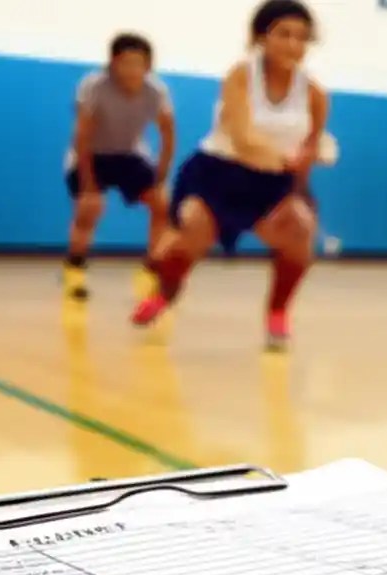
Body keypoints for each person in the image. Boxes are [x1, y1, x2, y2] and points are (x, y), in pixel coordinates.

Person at [130, 0, 330, 351]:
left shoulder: (315, 94)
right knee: (190, 237)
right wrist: (282, 157)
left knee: (301, 231)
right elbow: (243, 137)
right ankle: (165, 294)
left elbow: (311, 146)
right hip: (217, 174)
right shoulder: (241, 75)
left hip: (272, 185)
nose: (294, 45)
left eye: (302, 38)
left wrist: (303, 173)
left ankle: (278, 313)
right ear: (261, 37)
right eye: (284, 34)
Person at [63, 33, 176, 301]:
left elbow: (168, 133)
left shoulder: (156, 91)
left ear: (148, 66)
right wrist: (89, 185)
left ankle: (151, 269)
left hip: (128, 154)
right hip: (90, 153)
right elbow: (82, 136)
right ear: (113, 63)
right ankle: (75, 270)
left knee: (162, 205)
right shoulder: (94, 86)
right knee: (90, 208)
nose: (132, 70)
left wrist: (162, 171)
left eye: (139, 64)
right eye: (126, 63)